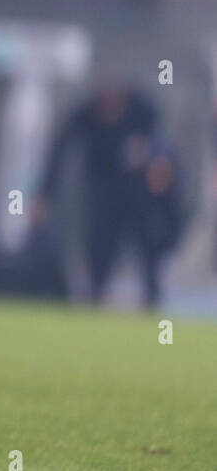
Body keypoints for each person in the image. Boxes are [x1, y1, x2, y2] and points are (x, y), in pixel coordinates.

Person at [34, 82, 174, 308]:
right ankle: (95, 296)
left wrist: (151, 160)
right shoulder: (86, 114)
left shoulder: (143, 111)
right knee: (100, 249)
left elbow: (162, 150)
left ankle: (151, 299)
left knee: (148, 247)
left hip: (138, 196)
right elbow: (59, 151)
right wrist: (43, 195)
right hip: (103, 196)